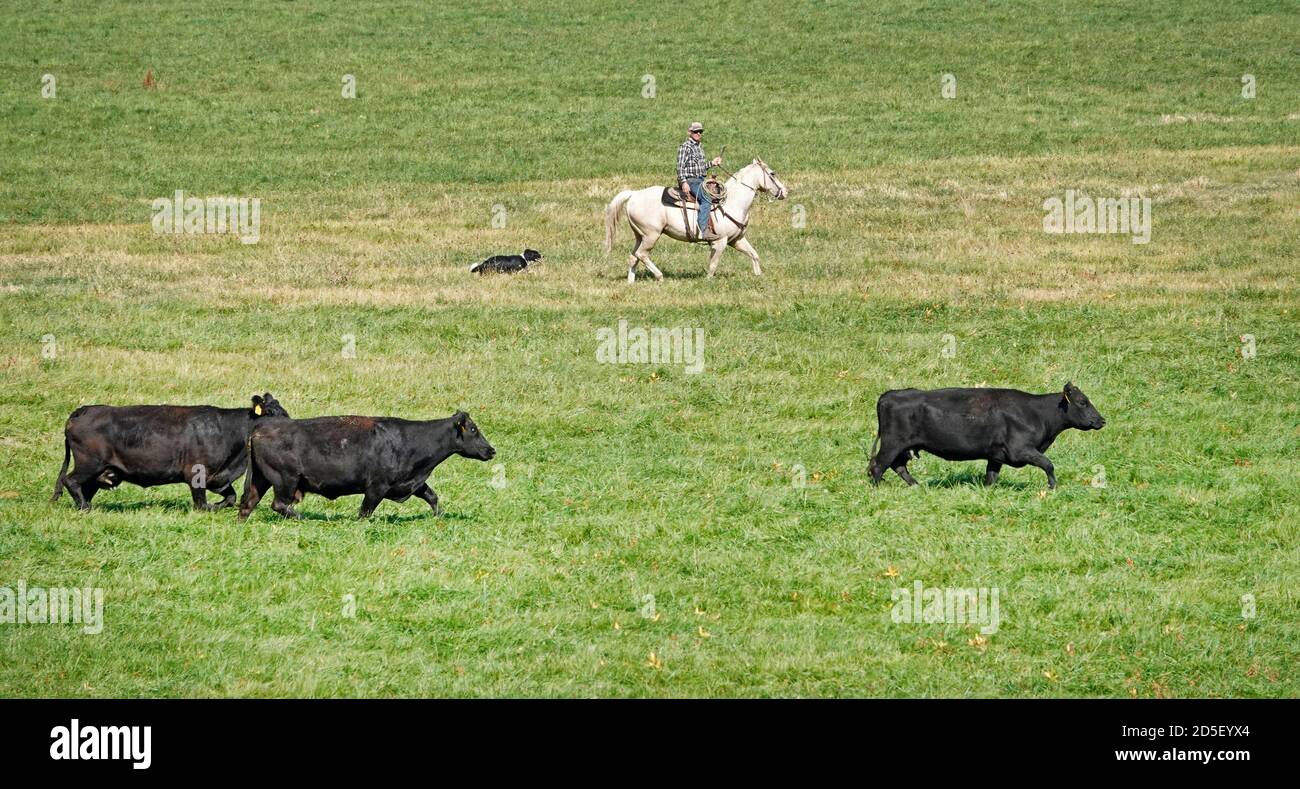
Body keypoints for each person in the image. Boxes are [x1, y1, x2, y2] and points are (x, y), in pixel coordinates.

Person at [676, 121, 724, 241]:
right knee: (707, 197)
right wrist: (684, 182)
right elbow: (680, 167)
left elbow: (700, 168)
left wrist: (712, 163)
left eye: (700, 131)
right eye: (695, 131)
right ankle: (703, 230)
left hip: (700, 180)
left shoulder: (699, 147)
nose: (698, 133)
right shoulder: (685, 147)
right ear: (690, 132)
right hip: (691, 181)